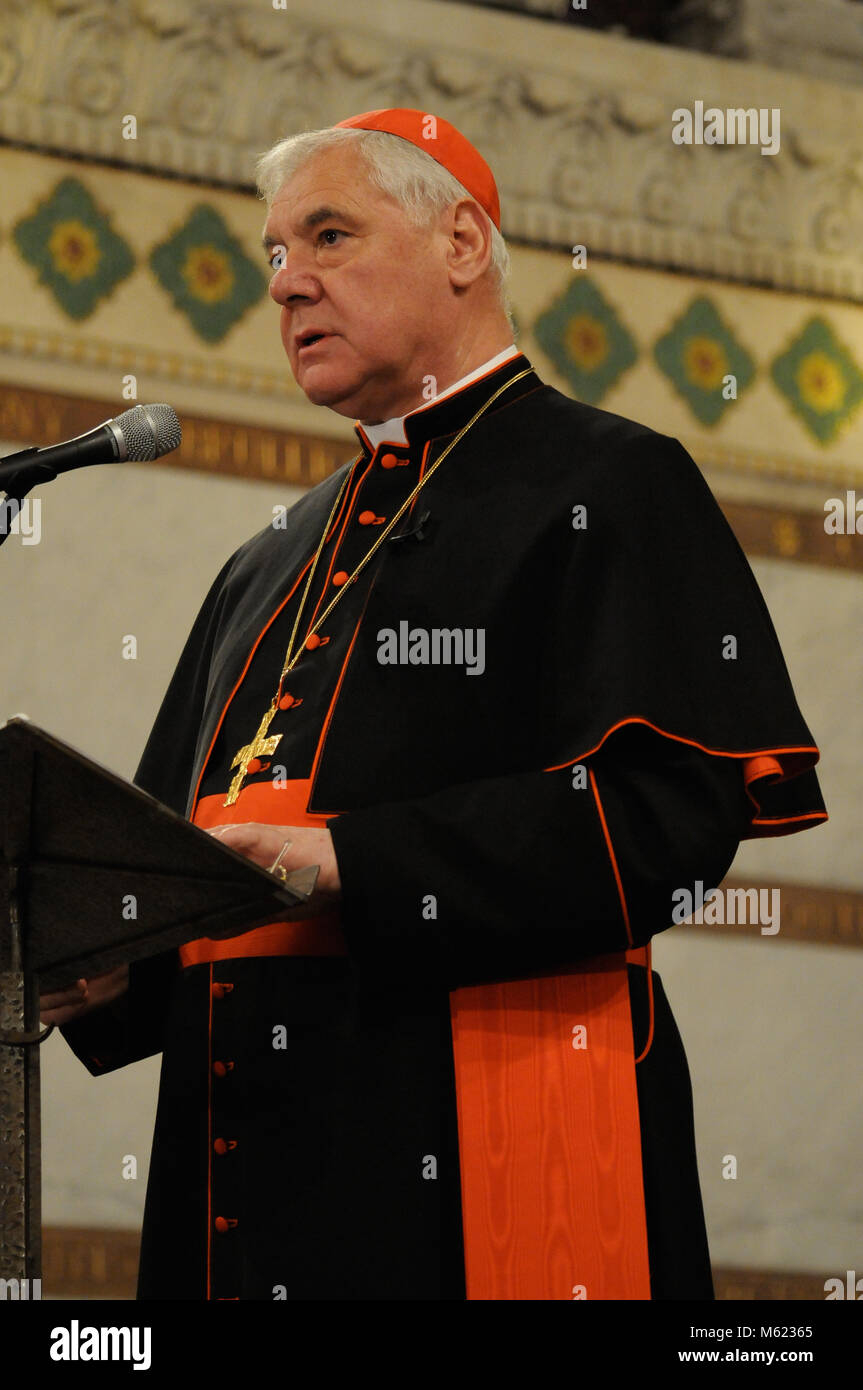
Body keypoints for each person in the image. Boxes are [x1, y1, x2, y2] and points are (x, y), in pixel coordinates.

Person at [44, 108, 827, 1301]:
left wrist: (350, 860)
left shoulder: (610, 481)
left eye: (327, 235)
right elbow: (179, 859)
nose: (285, 282)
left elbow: (668, 817)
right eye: (270, 255)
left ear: (460, 241)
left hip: (464, 1159)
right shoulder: (267, 560)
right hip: (238, 1184)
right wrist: (107, 959)